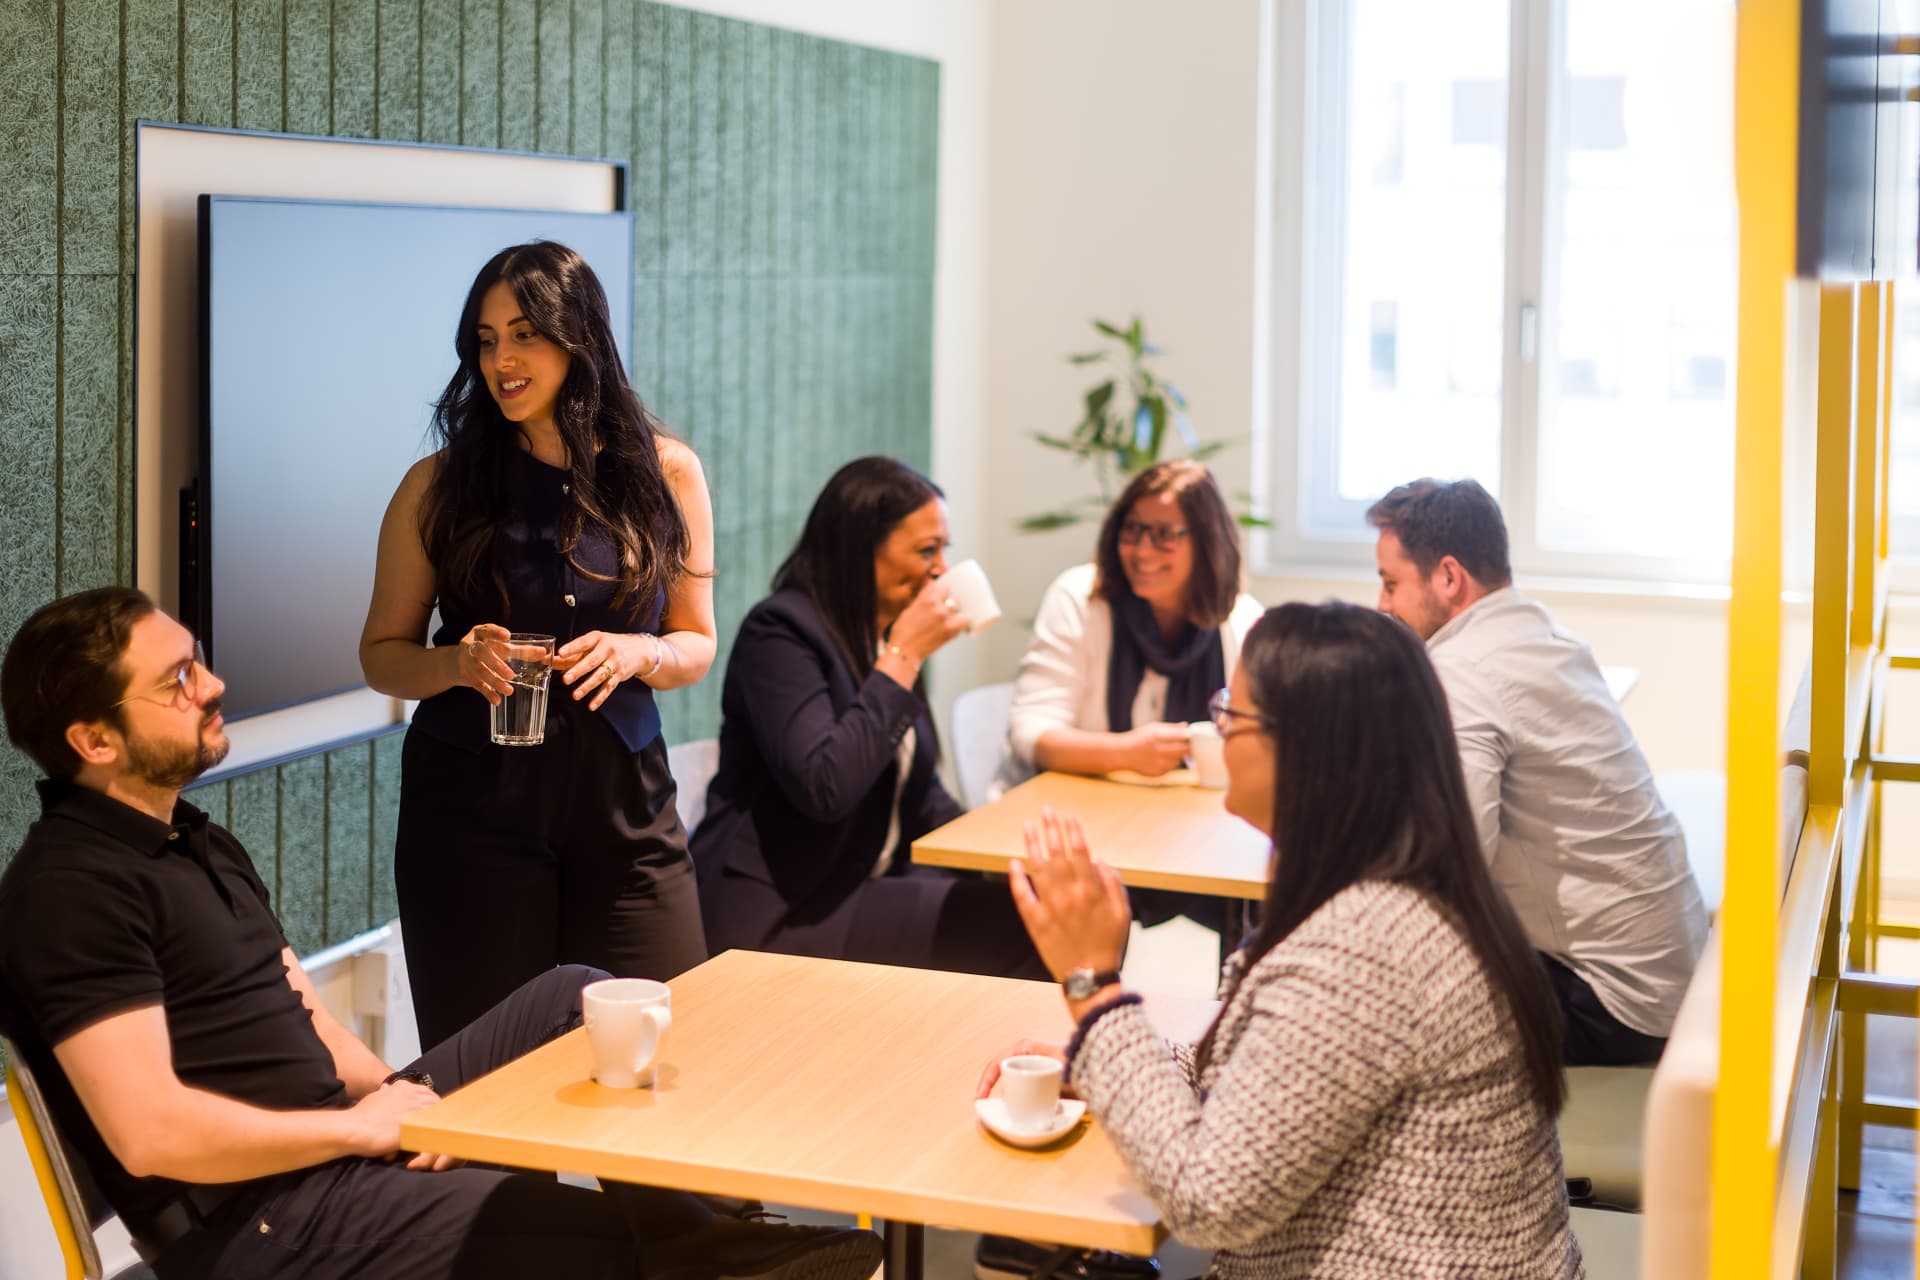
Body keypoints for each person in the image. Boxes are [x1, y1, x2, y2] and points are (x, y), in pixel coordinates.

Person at [0, 587, 882, 1280]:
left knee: (582, 1000)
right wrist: (362, 1133)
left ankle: (704, 1246)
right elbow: (151, 1135)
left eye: (197, 662)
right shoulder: (70, 890)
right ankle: (703, 1262)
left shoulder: (195, 838)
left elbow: (306, 1016)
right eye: (177, 682)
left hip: (336, 1145)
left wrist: (414, 1106)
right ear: (94, 739)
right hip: (260, 1224)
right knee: (576, 1237)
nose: (213, 687)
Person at [981, 603, 1584, 1279]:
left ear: (1303, 750)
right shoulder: (1416, 887)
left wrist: (1094, 990)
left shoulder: (1364, 947)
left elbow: (1205, 1200)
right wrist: (1108, 1062)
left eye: (1230, 714)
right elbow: (1288, 1076)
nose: (1217, 732)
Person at [360, 241, 716, 1049]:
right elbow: (382, 654)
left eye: (524, 335)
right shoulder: (437, 487)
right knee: (490, 1080)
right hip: (472, 815)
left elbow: (695, 643)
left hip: (627, 810)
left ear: (578, 336)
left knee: (663, 1052)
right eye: (487, 341)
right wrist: (454, 663)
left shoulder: (667, 473)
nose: (502, 361)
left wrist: (640, 654)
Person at [1367, 477, 1708, 1066]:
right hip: (1672, 972)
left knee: (1367, 988)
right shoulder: (1547, 637)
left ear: (1448, 577)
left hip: (1612, 1003)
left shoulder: (1463, 672)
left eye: (1391, 583)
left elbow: (1452, 869)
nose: (1382, 605)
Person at [694, 457, 1043, 977]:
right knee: (1032, 926)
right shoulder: (781, 633)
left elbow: (921, 799)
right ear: (859, 550)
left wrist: (1001, 858)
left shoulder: (880, 639)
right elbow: (826, 787)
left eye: (944, 549)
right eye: (926, 550)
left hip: (861, 883)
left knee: (1059, 908)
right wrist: (904, 656)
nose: (942, 569)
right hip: (787, 908)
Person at [991, 459, 1264, 799]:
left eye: (1165, 534)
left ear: (1207, 543)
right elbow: (1030, 734)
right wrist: (1123, 753)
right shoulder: (1079, 599)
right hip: (1064, 807)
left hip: (1184, 813)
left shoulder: (1243, 622)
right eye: (1132, 529)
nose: (1142, 551)